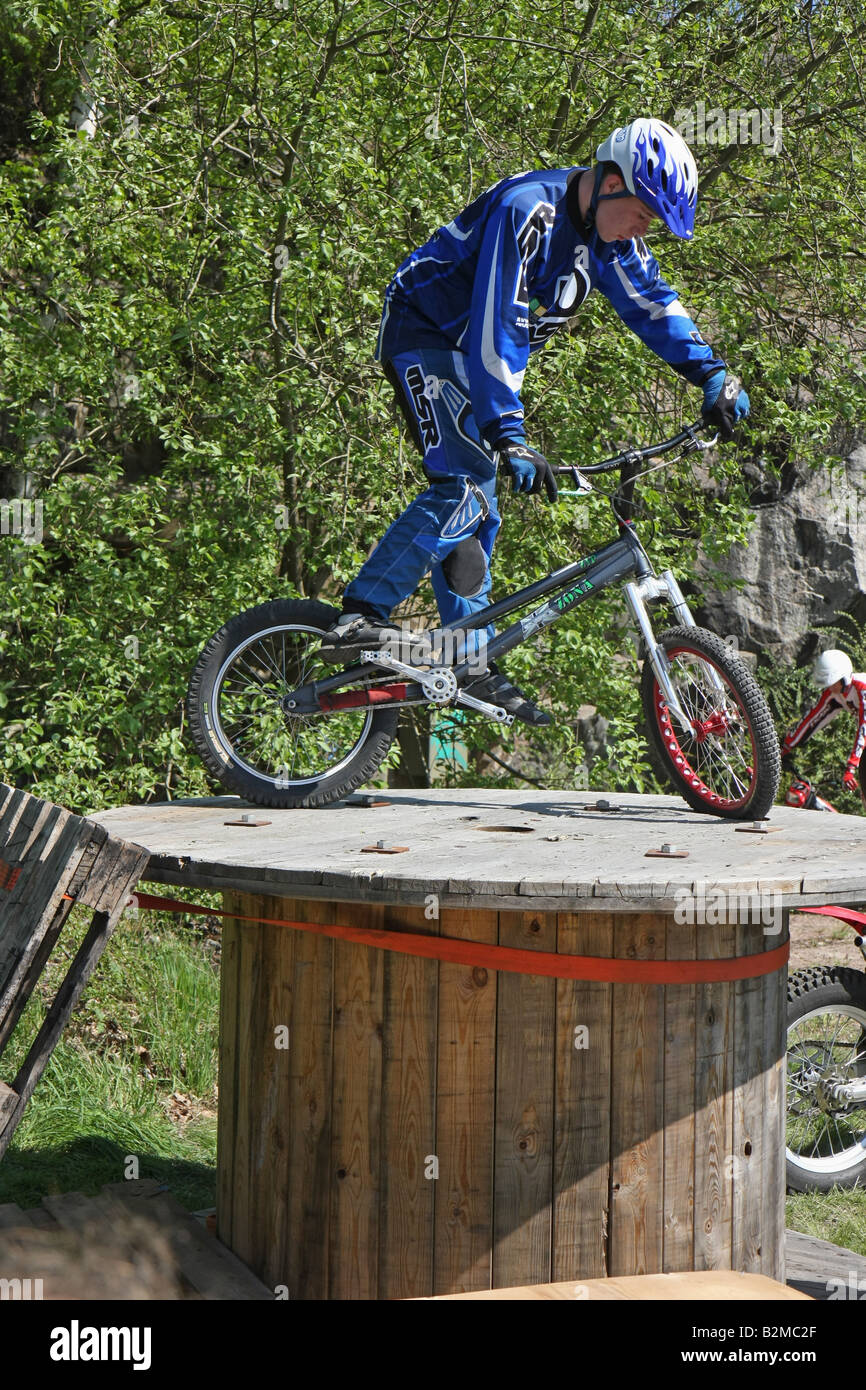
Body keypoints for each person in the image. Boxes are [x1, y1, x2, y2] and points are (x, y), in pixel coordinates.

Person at [320, 117, 750, 724]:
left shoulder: (608, 242)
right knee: (465, 484)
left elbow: (653, 305)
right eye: (644, 212)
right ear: (608, 183)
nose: (643, 228)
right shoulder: (529, 209)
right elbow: (499, 320)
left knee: (478, 509)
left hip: (470, 358)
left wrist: (712, 375)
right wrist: (509, 433)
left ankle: (467, 654)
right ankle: (361, 613)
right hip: (424, 332)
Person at [781, 649, 866, 794]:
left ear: (844, 678)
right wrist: (783, 748)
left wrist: (851, 766)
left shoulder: (862, 688)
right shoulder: (835, 693)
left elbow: (864, 727)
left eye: (833, 682)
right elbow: (811, 720)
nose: (830, 687)